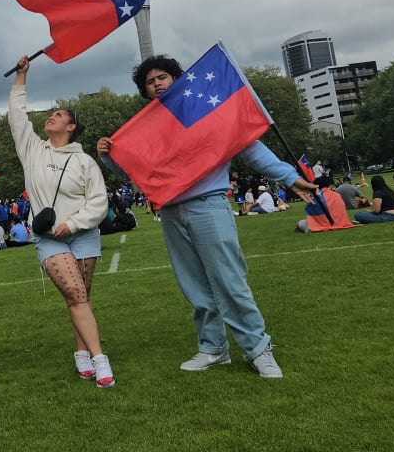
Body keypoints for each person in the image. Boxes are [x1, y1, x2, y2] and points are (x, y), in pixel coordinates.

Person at [97, 55, 317, 379]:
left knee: (229, 281)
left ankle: (258, 349)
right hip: (171, 213)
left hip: (209, 205)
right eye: (149, 81)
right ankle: (213, 348)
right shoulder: (147, 127)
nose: (156, 83)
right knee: (196, 287)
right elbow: (136, 168)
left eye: (163, 77)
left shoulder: (206, 111)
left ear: (178, 79)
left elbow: (248, 147)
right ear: (144, 91)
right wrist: (109, 157)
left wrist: (289, 177)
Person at [9, 56, 114, 387]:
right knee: (75, 292)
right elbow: (17, 117)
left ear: (70, 127)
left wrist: (76, 222)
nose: (50, 118)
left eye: (58, 115)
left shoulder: (84, 161)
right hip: (49, 237)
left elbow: (98, 200)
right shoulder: (33, 151)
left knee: (80, 296)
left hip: (83, 235)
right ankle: (100, 360)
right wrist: (21, 78)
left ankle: (81, 353)